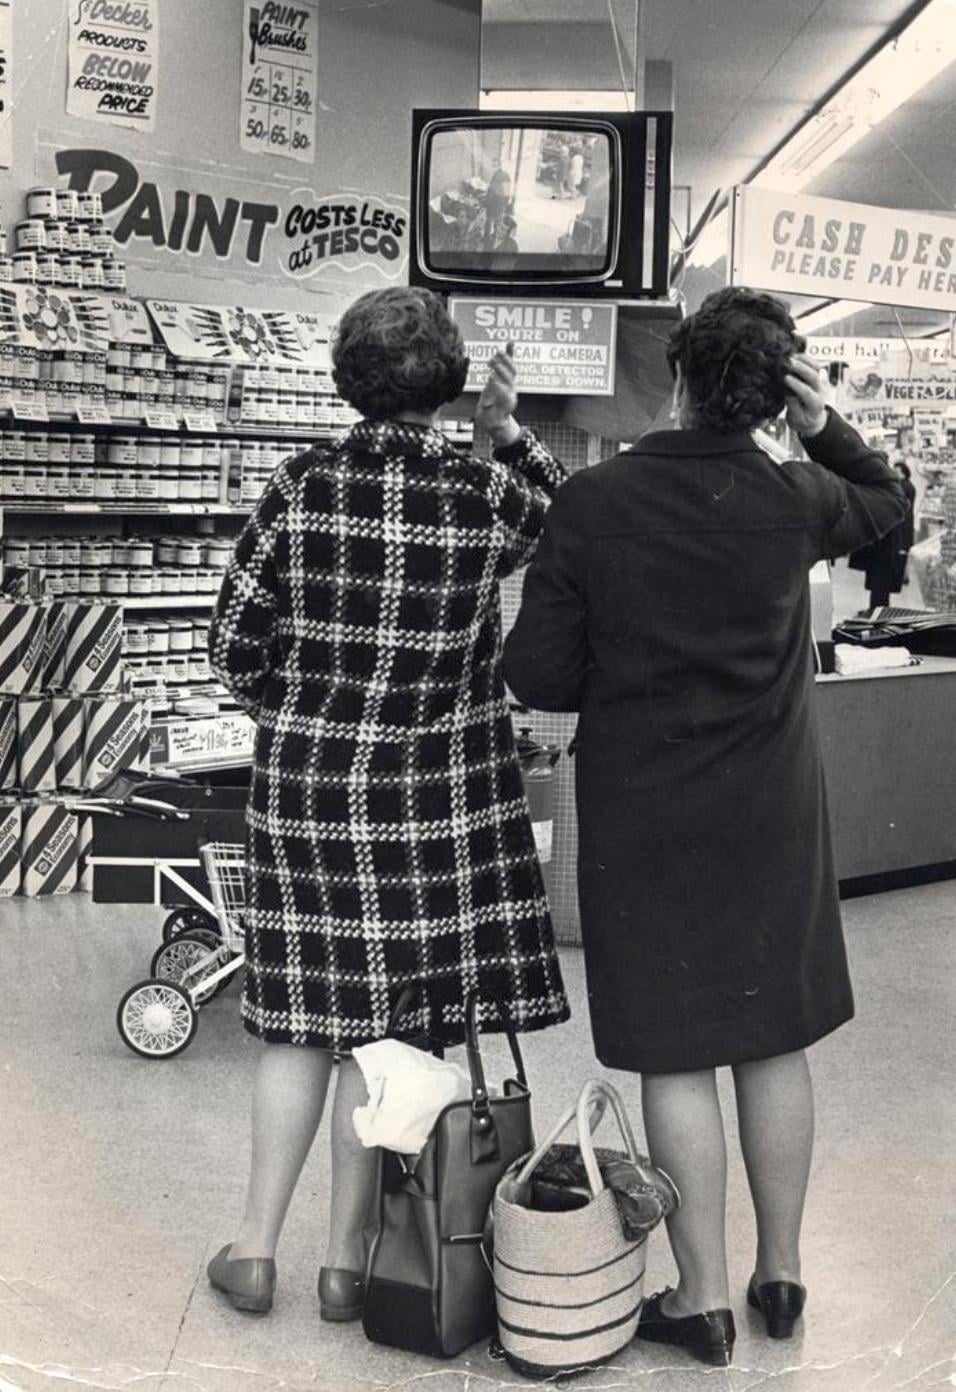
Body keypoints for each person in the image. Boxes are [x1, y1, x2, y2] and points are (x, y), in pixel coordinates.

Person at [502, 287, 906, 1368]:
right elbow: (887, 502)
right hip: (770, 808)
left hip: (644, 807)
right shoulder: (798, 496)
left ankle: (703, 1298)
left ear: (675, 379)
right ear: (776, 391)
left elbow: (534, 670)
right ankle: (781, 1275)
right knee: (771, 1037)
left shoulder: (593, 501)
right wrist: (824, 426)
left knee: (675, 1054)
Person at [207, 286, 570, 1321]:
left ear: (345, 376)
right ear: (446, 384)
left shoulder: (298, 485)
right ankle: (341, 1266)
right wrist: (509, 436)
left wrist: (307, 709)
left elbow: (231, 646)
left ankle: (253, 1249)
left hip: (310, 793)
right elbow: (568, 524)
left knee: (297, 1028)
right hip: (432, 800)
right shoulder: (477, 494)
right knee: (387, 1035)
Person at [848, 458, 917, 611]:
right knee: (882, 581)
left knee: (880, 581)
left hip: (886, 546)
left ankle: (878, 609)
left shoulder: (901, 490)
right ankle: (878, 608)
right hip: (887, 546)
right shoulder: (898, 491)